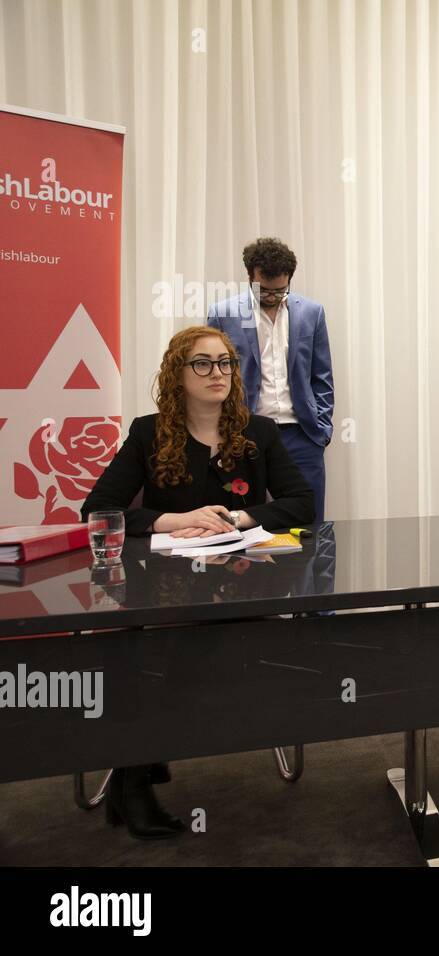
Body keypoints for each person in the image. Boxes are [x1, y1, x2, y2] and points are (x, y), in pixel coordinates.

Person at [81, 326, 315, 839]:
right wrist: (169, 519)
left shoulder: (260, 432)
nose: (217, 374)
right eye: (203, 364)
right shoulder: (149, 432)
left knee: (198, 649)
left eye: (225, 363)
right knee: (152, 647)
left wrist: (241, 516)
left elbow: (302, 504)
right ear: (177, 374)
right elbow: (98, 508)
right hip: (163, 590)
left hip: (243, 586)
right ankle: (135, 774)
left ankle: (136, 769)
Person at [208, 237, 333, 517]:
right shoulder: (223, 313)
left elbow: (322, 376)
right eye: (264, 290)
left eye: (280, 291)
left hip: (301, 434)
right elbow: (213, 376)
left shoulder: (312, 313)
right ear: (250, 276)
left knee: (308, 520)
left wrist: (322, 430)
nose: (272, 297)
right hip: (245, 433)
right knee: (243, 520)